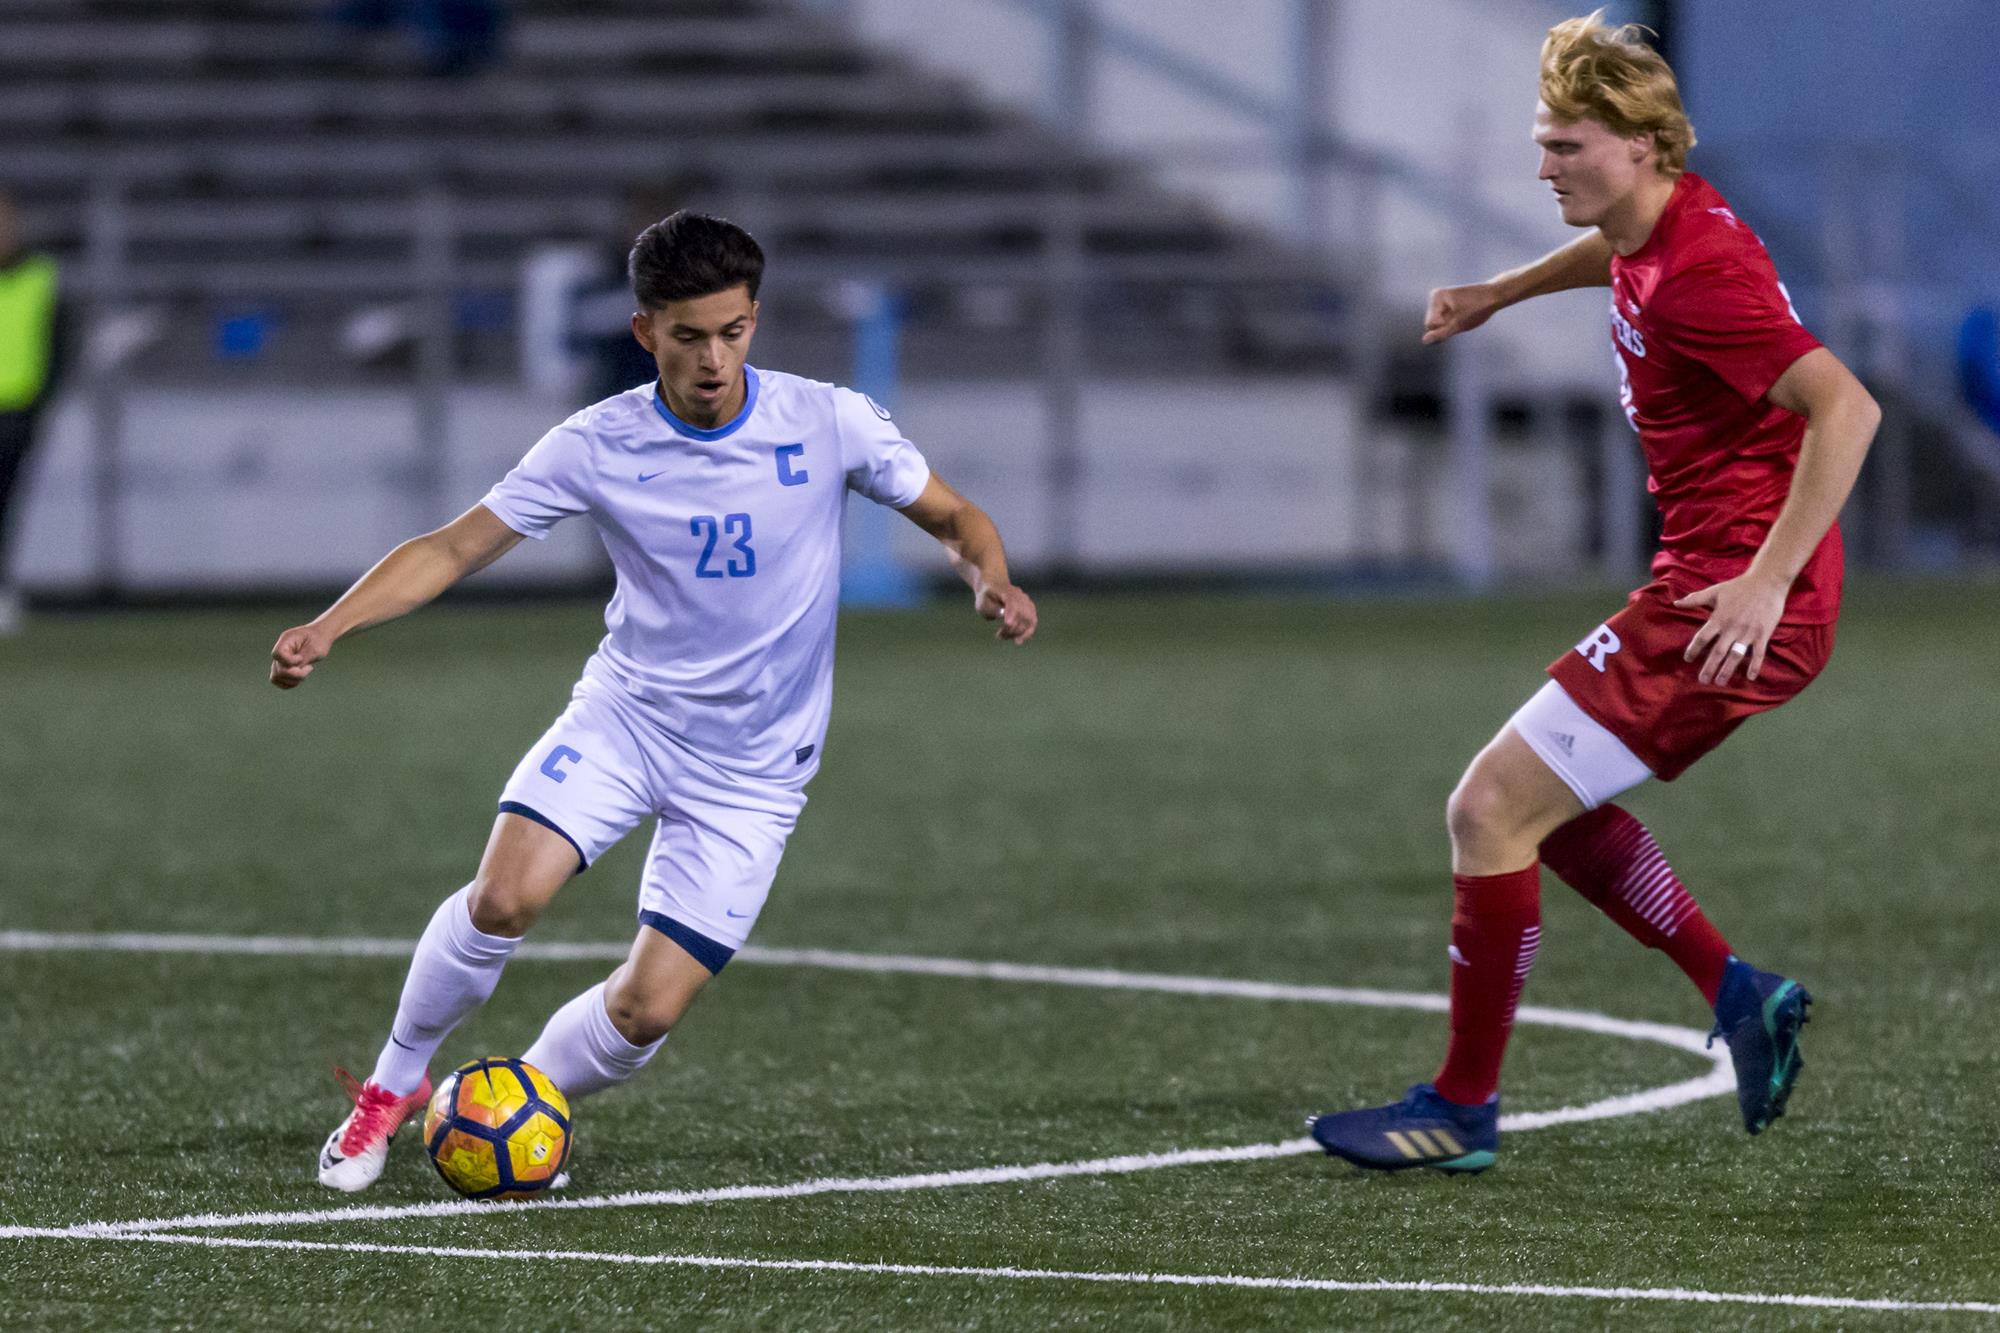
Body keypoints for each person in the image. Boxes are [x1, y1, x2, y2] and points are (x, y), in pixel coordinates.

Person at [271, 211, 1038, 1192]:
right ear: (644, 332)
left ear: (754, 320)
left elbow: (955, 515)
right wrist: (330, 626)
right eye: (688, 336)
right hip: (627, 722)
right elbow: (454, 546)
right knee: (503, 896)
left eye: (733, 331)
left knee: (646, 1012)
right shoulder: (598, 442)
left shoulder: (827, 420)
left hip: (754, 771)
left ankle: (515, 1100)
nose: (714, 359)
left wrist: (988, 578)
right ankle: (388, 1090)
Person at [1308, 11, 1880, 1173]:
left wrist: (1763, 583)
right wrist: (1499, 291)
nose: (1543, 166)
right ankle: (1739, 993)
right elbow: (1615, 260)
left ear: (1637, 145)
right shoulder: (1658, 221)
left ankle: (1461, 1108)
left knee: (1486, 808)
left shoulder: (1699, 277)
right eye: (1542, 142)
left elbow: (1847, 407)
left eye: (1564, 146)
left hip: (1729, 603)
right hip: (1708, 578)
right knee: (1543, 812)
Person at [0, 192, 65, 635]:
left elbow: (58, 346)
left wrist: (40, 403)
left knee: (5, 505)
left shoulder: (41, 276)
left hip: (16, 413)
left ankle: (2, 590)